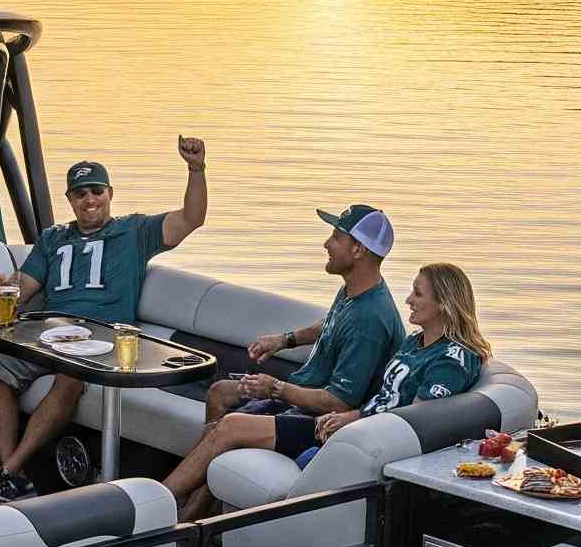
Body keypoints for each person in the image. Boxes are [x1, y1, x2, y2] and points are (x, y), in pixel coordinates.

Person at [0, 139, 209, 501]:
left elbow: (191, 219)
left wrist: (196, 169)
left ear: (110, 194)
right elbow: (24, 288)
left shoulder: (135, 231)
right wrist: (5, 288)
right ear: (70, 199)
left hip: (101, 338)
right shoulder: (53, 238)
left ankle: (6, 471)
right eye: (80, 193)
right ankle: (16, 475)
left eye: (96, 191)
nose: (89, 200)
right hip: (48, 333)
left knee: (70, 378)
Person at [162, 202, 403, 520]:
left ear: (358, 249)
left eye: (335, 236)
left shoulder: (371, 319)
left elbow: (338, 403)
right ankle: (197, 508)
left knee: (233, 425)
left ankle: (157, 505)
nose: (326, 244)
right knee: (220, 392)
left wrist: (276, 388)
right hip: (305, 396)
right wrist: (284, 340)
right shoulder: (355, 291)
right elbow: (329, 326)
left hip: (324, 424)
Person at [294, 263, 489, 464]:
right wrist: (347, 418)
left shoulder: (449, 363)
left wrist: (352, 427)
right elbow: (386, 399)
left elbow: (414, 425)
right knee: (280, 423)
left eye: (418, 294)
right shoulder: (414, 341)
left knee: (300, 454)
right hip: (361, 427)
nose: (408, 300)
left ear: (444, 304)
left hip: (376, 444)